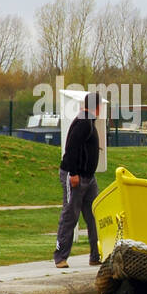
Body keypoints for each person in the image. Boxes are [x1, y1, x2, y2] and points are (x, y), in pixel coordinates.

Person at [54, 90, 101, 268]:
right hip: (76, 176)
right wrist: (73, 173)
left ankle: (95, 255)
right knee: (70, 215)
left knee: (94, 215)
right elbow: (71, 147)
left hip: (89, 178)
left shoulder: (89, 121)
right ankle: (60, 257)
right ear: (98, 106)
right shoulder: (83, 122)